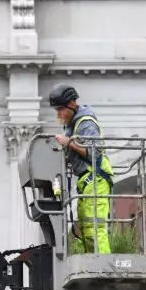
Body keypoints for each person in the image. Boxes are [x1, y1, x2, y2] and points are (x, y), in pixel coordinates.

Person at [48, 83, 113, 254]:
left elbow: (95, 152)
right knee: (84, 228)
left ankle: (102, 266)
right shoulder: (72, 125)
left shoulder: (86, 123)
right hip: (87, 181)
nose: (58, 113)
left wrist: (68, 142)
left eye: (61, 109)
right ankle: (93, 263)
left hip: (96, 178)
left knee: (95, 227)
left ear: (72, 105)